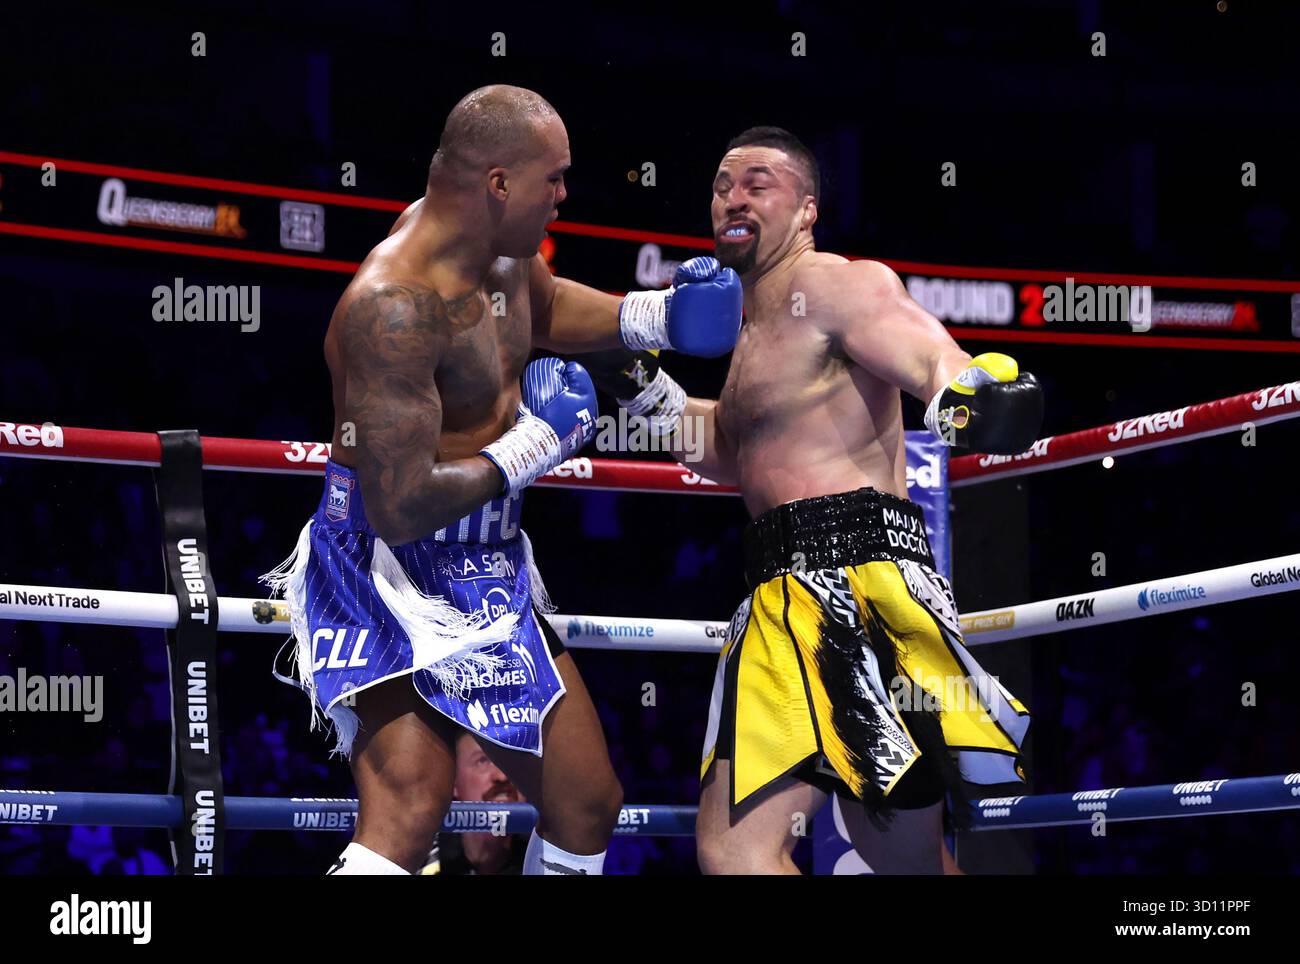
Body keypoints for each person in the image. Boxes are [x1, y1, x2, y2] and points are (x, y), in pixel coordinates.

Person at [263, 85, 742, 876]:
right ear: (498, 183)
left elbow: (544, 310)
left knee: (587, 804)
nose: (563, 194)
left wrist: (655, 318)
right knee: (409, 809)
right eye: (553, 178)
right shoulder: (394, 307)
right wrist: (536, 446)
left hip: (490, 562)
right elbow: (401, 505)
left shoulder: (507, 255)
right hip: (388, 566)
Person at [581, 126, 1041, 874]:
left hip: (857, 577)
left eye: (757, 183)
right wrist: (645, 393)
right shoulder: (749, 328)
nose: (732, 197)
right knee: (886, 857)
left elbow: (926, 353)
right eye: (722, 185)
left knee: (753, 853)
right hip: (780, 585)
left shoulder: (834, 283)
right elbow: (737, 454)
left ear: (806, 210)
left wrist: (970, 392)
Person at [419, 731, 528, 875]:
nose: (501, 776)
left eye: (509, 760)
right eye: (482, 760)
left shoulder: (547, 852)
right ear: (453, 782)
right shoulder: (419, 852)